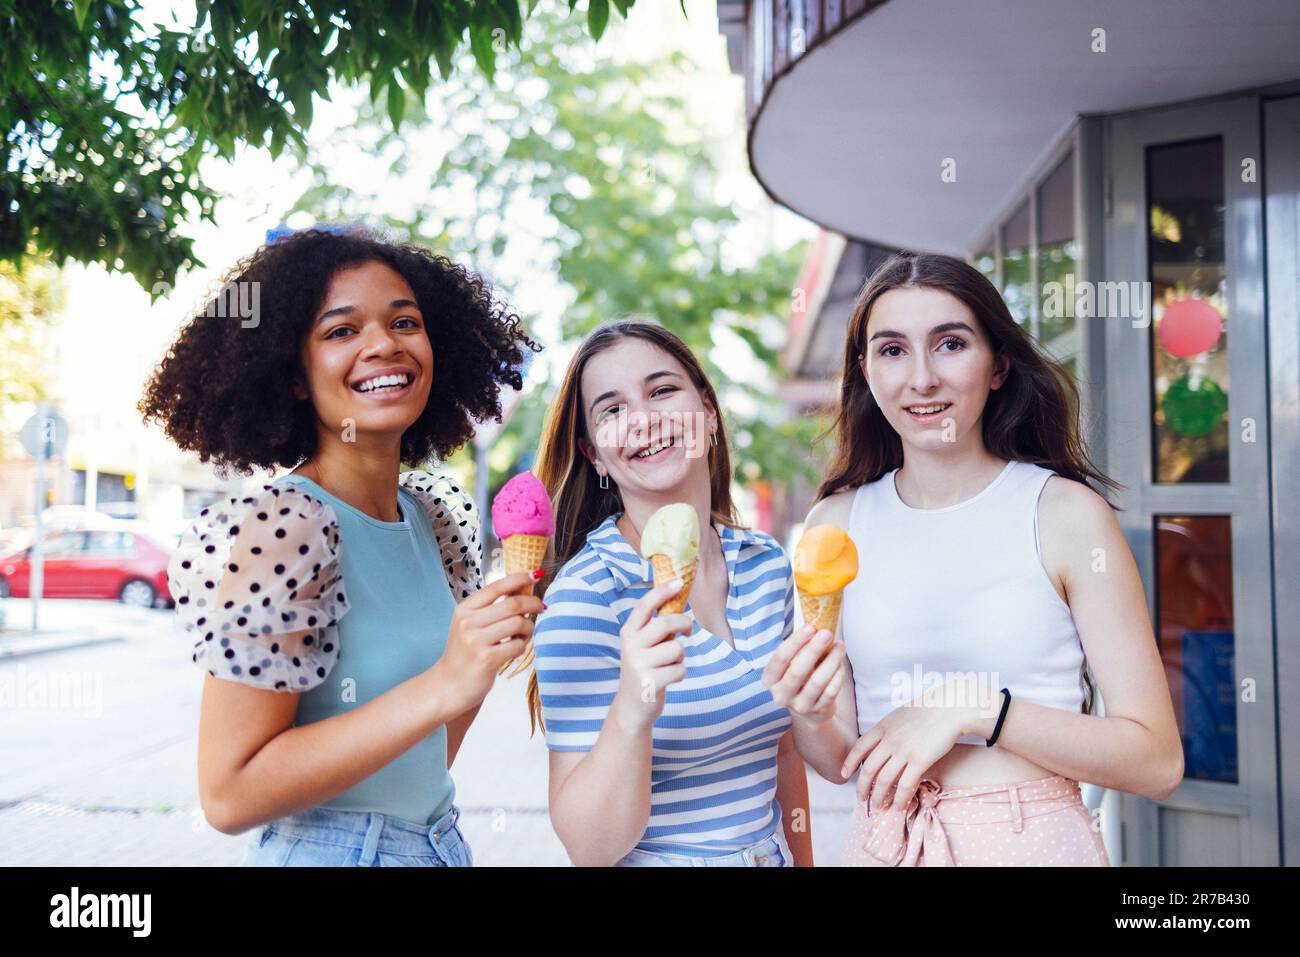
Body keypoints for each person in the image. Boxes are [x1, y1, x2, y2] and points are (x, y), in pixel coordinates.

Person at [764, 252, 1183, 866]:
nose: (922, 378)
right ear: (866, 372)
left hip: (1031, 845)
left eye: (951, 344)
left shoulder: (1064, 515)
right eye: (892, 350)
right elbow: (839, 762)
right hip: (889, 847)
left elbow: (1157, 761)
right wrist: (810, 711)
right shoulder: (838, 523)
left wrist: (971, 706)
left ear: (998, 365)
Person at [140, 227, 542, 866]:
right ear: (294, 376)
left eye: (404, 322)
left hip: (434, 845)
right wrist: (443, 682)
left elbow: (417, 760)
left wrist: (477, 670)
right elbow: (228, 794)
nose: (384, 344)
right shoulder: (282, 527)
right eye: (341, 331)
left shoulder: (430, 520)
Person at [525, 320, 815, 866]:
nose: (644, 420)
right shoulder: (585, 597)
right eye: (612, 409)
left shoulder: (766, 566)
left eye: (661, 391)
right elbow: (588, 849)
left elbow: (783, 751)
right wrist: (634, 707)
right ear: (595, 456)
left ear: (707, 414)